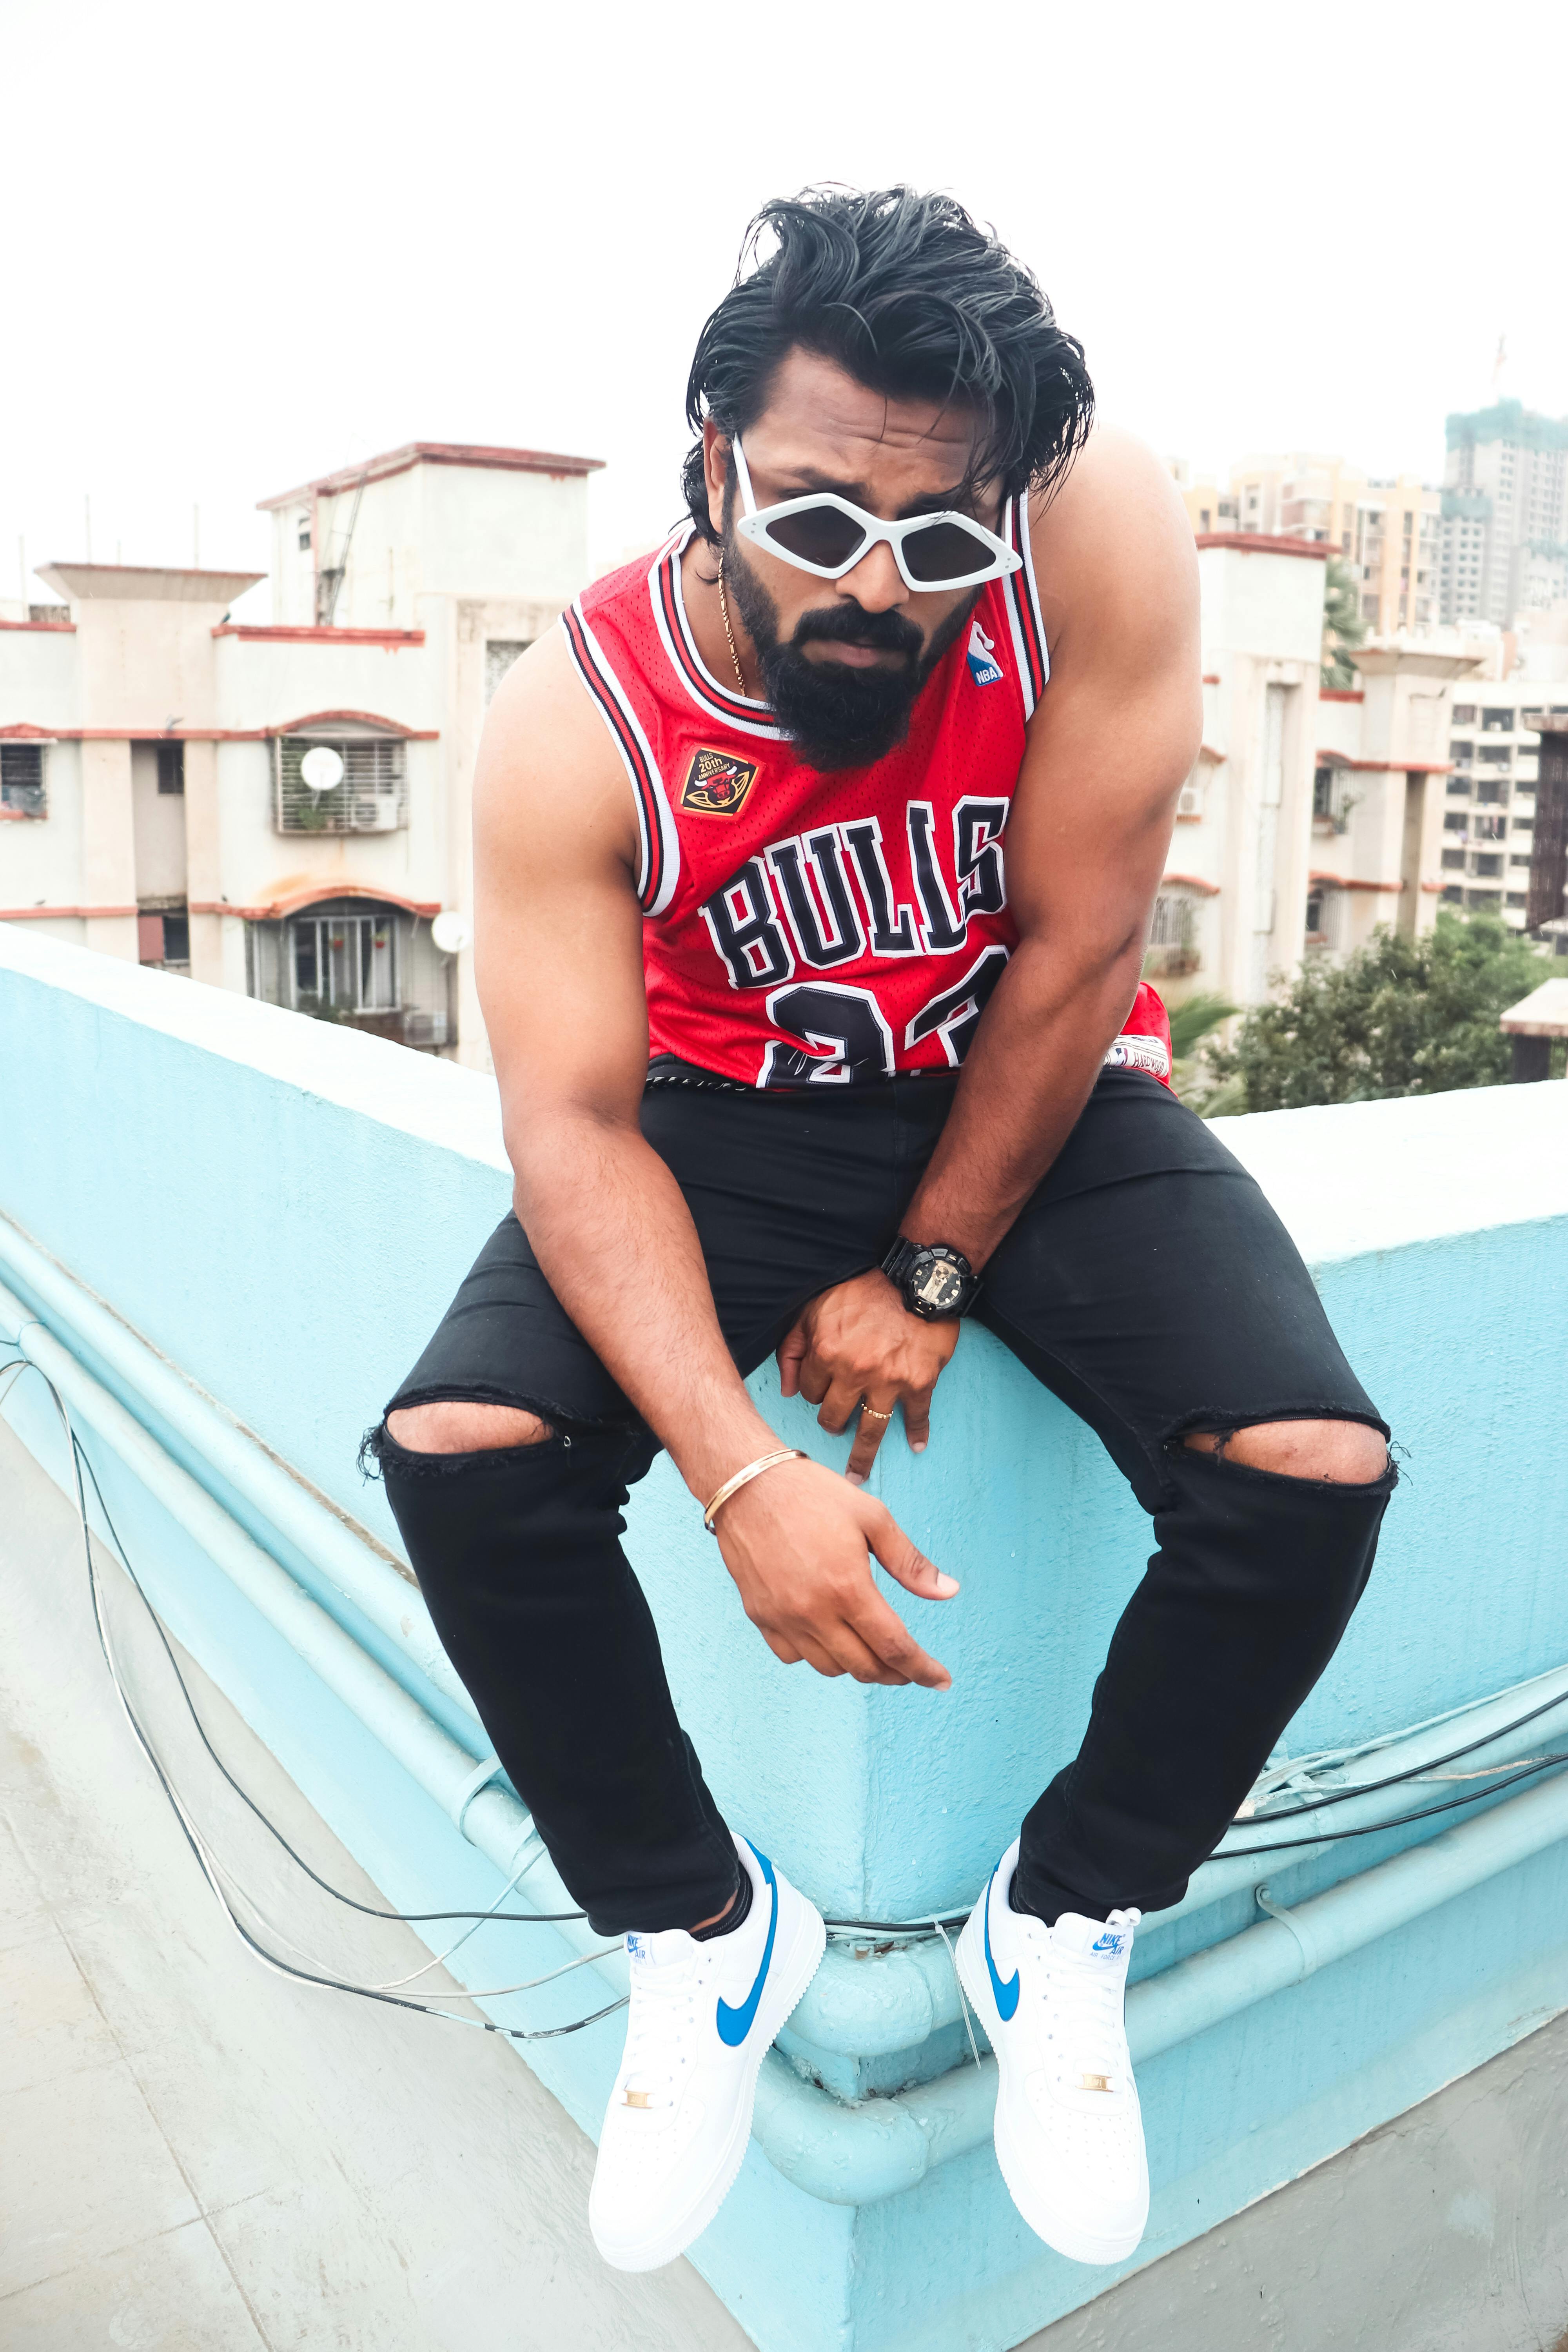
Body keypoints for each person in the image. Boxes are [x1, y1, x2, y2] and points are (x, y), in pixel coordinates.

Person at [367, 186, 1393, 2275]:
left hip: (1045, 1075)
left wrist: (930, 1270)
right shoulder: (581, 717)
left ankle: (1062, 1916)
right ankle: (698, 1933)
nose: (876, 586)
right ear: (714, 460)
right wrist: (745, 1476)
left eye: (939, 541)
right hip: (729, 1111)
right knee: (466, 1458)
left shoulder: (1092, 525)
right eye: (819, 517)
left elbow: (1085, 933)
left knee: (1311, 1471)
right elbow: (567, 1125)